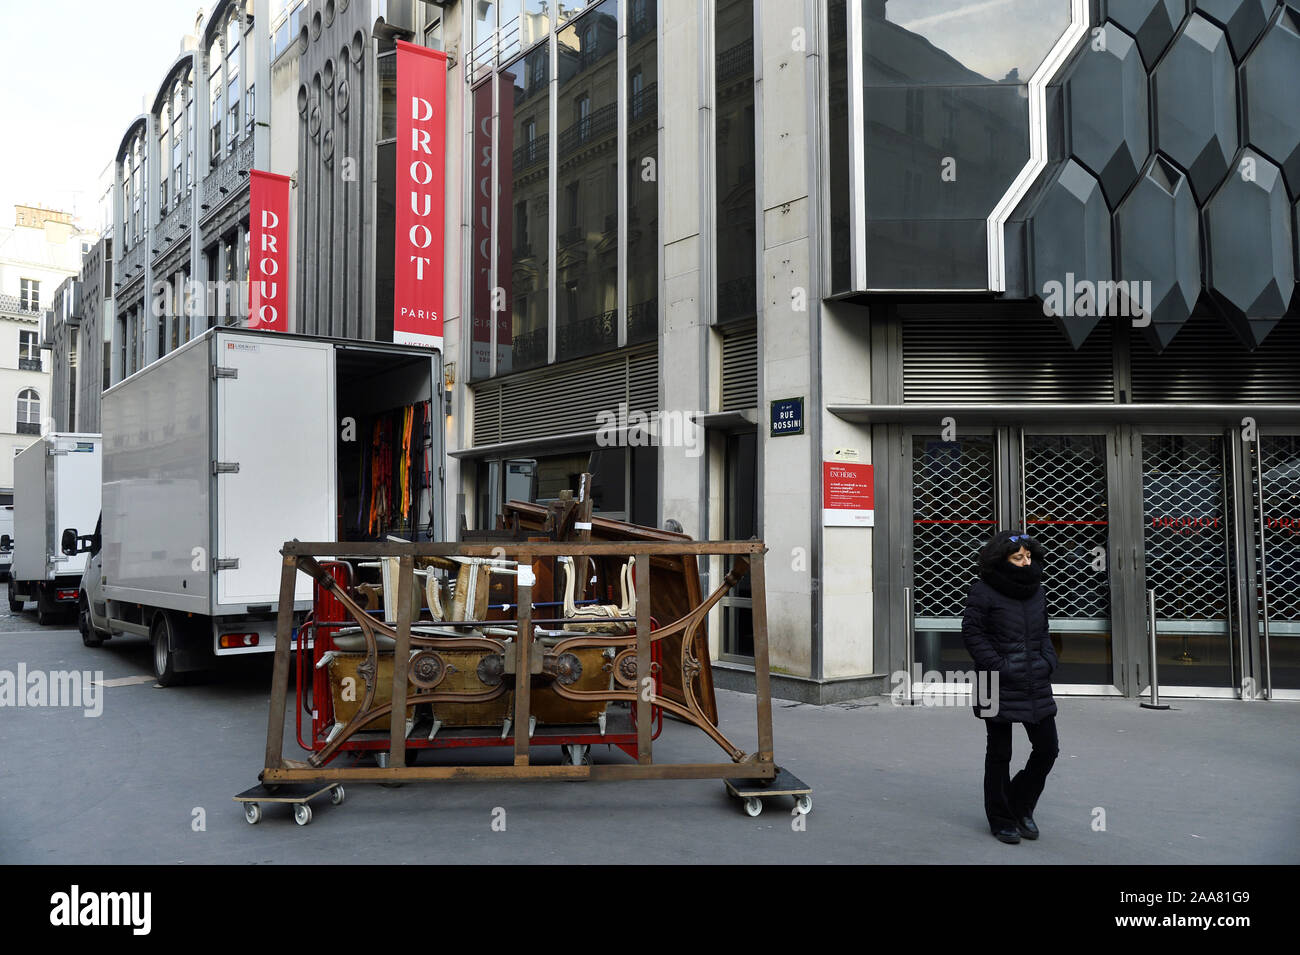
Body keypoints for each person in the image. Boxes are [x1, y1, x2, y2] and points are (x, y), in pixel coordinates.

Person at [961, 530, 1060, 844]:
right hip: (995, 681)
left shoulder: (1036, 589)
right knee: (1000, 752)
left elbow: (1044, 631)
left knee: (1047, 748)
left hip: (1035, 678)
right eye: (1018, 557)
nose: (1025, 562)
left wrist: (1048, 661)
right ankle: (1001, 818)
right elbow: (972, 634)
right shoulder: (983, 590)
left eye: (1028, 556)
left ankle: (1020, 804)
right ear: (1001, 560)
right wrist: (998, 666)